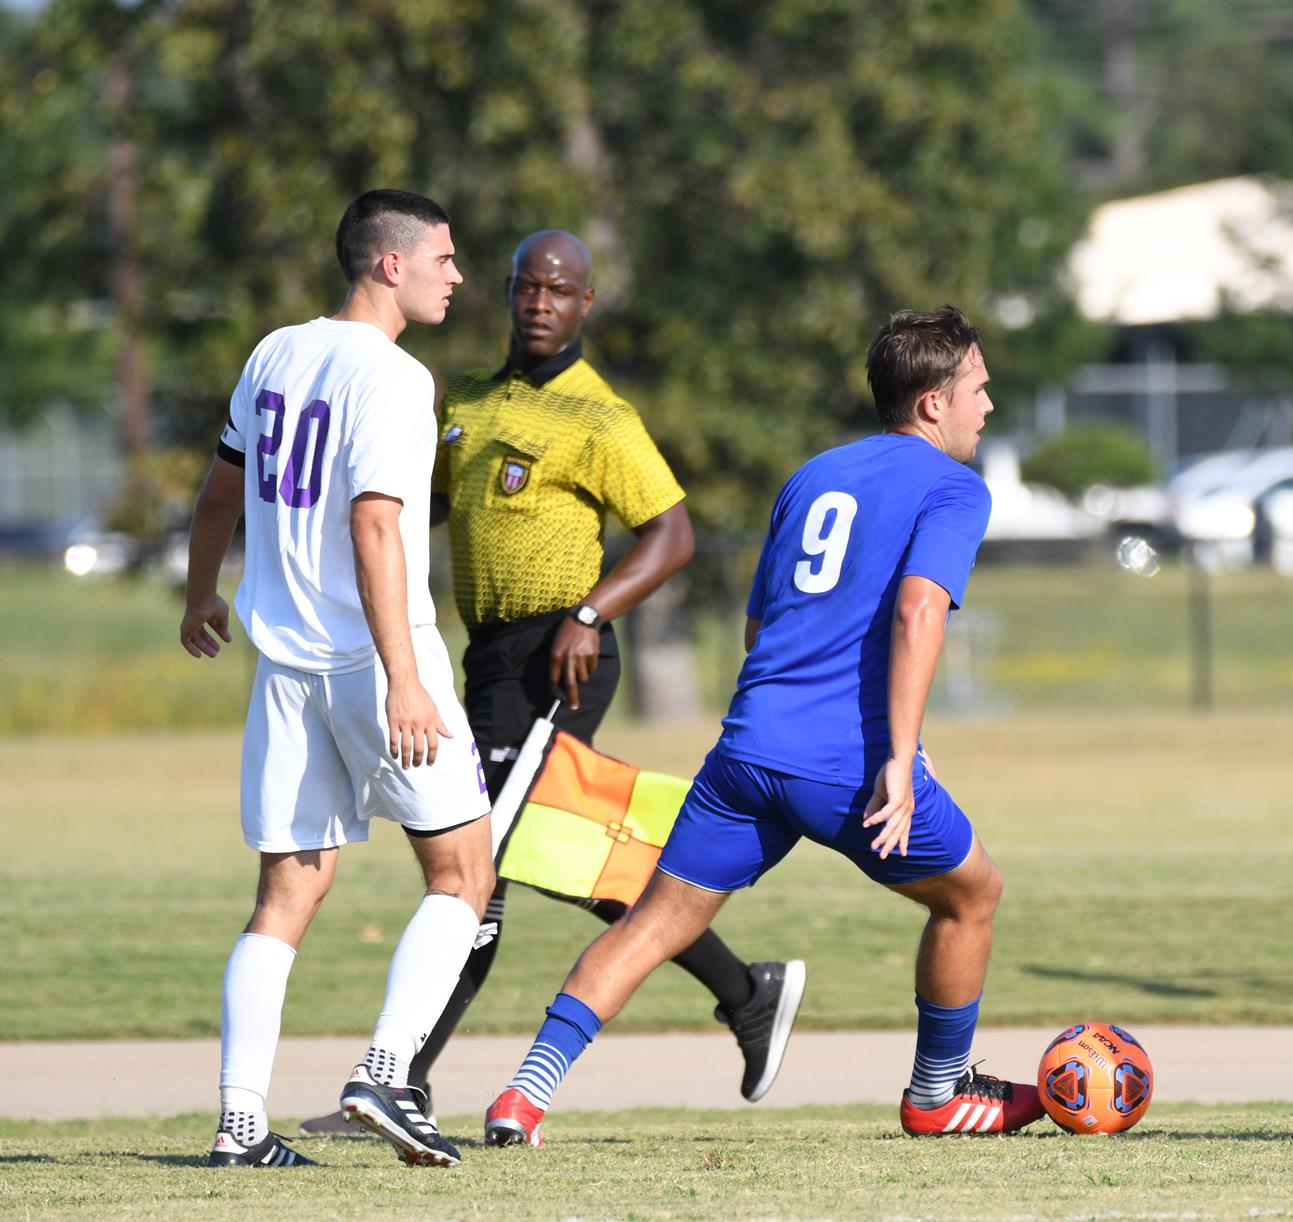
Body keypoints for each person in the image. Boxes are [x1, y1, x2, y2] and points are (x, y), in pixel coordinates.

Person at [483, 304, 1041, 1148]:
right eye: (978, 388)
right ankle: (938, 1092)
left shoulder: (812, 474)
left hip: (746, 749)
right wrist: (896, 756)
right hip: (842, 760)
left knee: (655, 922)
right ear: (932, 402)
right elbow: (919, 611)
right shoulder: (955, 486)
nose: (987, 406)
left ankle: (522, 1097)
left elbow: (757, 631)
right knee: (973, 894)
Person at [299, 230, 805, 1138]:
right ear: (507, 294)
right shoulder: (471, 401)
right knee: (539, 853)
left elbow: (672, 534)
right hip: (489, 657)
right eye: (528, 287)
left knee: (476, 868)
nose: (541, 302)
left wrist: (592, 612)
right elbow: (427, 502)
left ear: (585, 303)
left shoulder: (599, 416)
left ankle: (401, 1077)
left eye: (560, 290)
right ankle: (746, 989)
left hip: (560, 656)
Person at [181, 189, 494, 1168]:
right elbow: (372, 524)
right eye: (443, 257)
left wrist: (200, 596)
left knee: (287, 892)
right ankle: (387, 1072)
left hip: (282, 670)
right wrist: (404, 675)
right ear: (389, 264)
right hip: (369, 661)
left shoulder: (274, 351)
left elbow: (221, 488)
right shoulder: (399, 379)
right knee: (464, 875)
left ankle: (241, 1122)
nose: (456, 274)